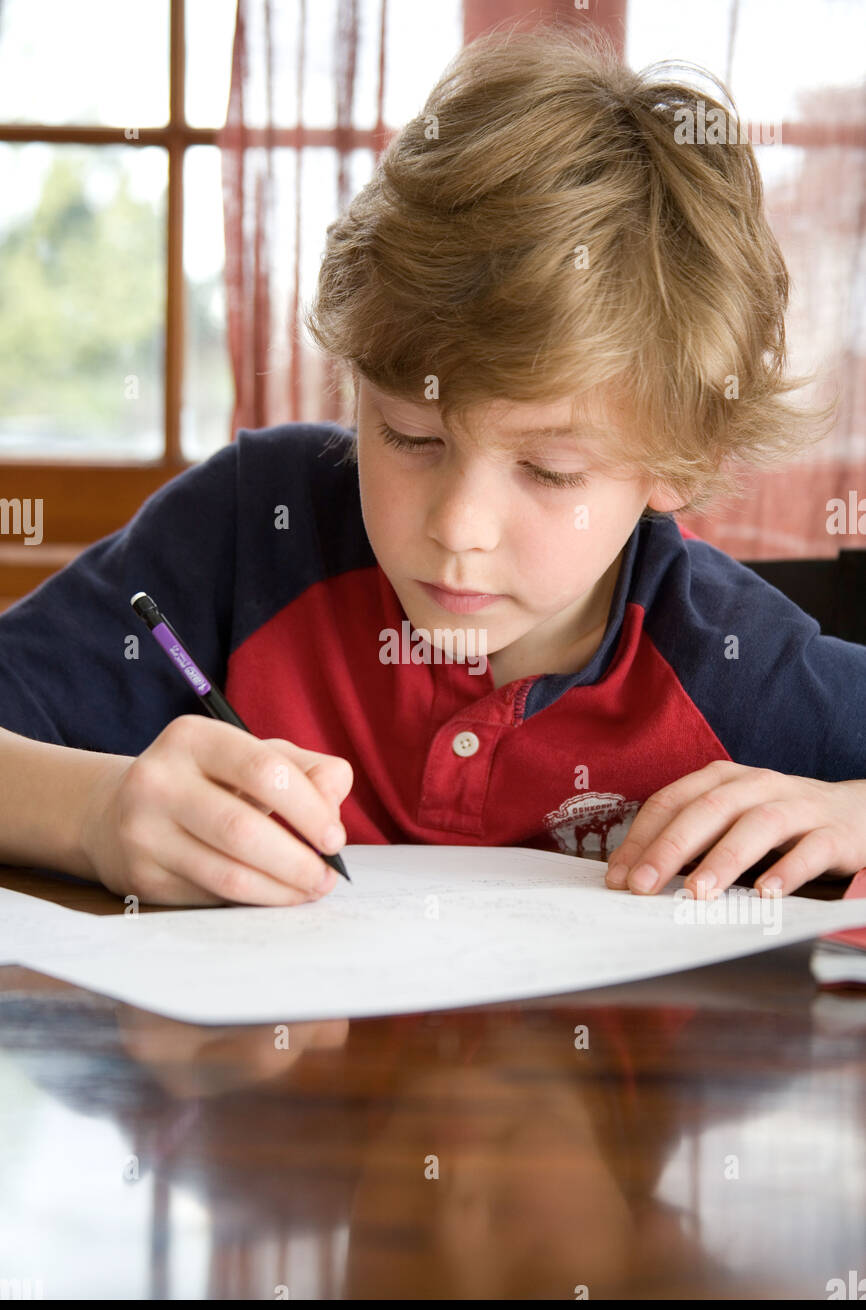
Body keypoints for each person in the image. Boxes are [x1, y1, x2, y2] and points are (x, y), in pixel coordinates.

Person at [0, 24, 864, 908]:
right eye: (411, 437)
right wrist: (95, 813)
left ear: (678, 463)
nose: (457, 525)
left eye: (550, 471)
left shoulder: (732, 667)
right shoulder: (255, 527)